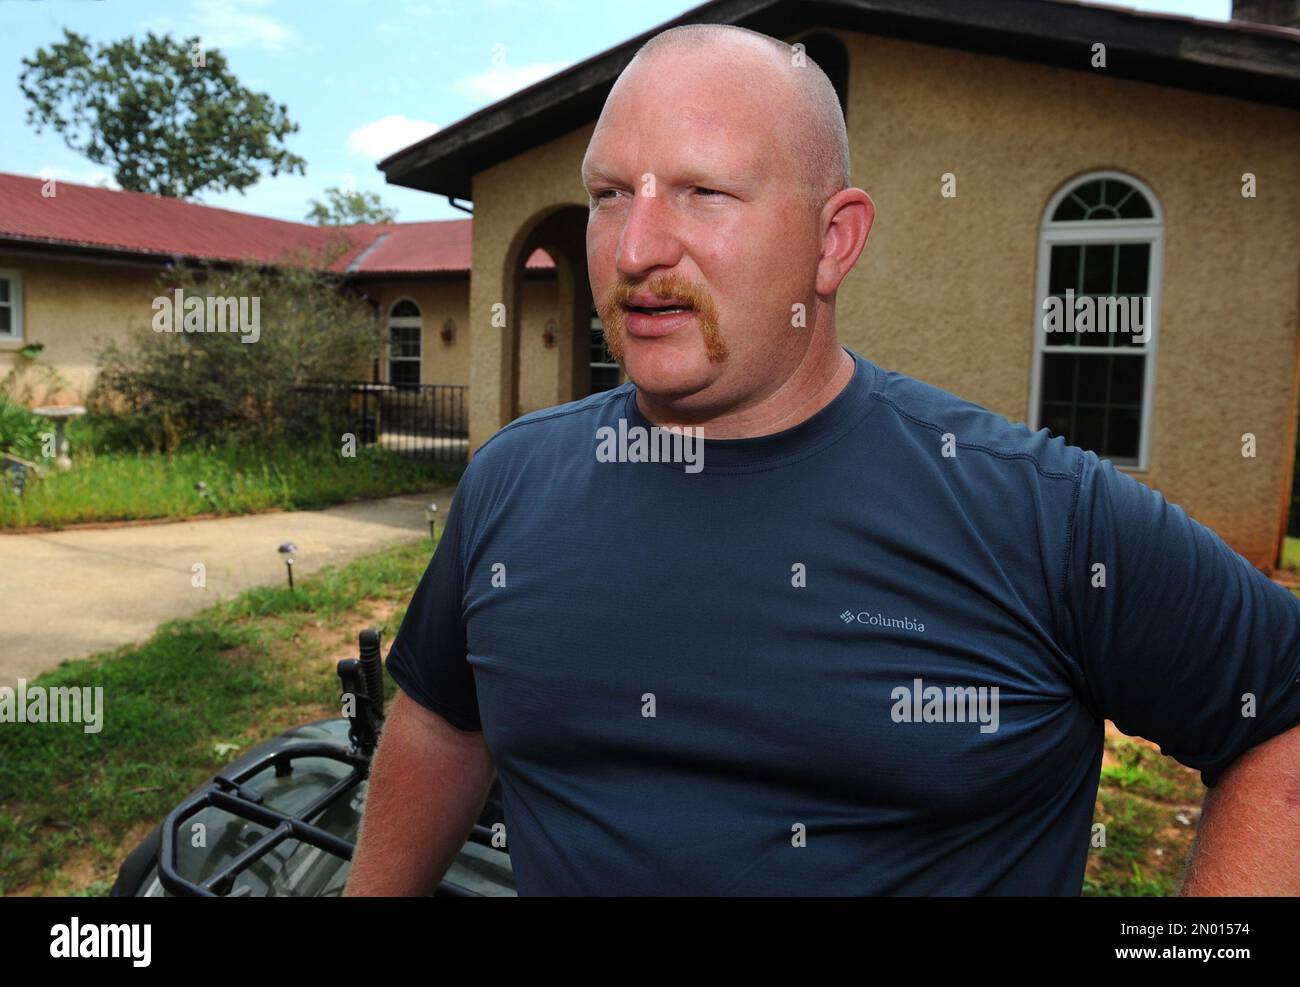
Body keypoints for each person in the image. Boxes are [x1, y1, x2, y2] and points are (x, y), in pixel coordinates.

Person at [345, 24, 1300, 896]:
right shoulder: (514, 481)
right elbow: (442, 720)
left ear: (833, 242)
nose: (635, 248)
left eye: (703, 193)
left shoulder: (1039, 512)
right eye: (607, 196)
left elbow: (1282, 717)